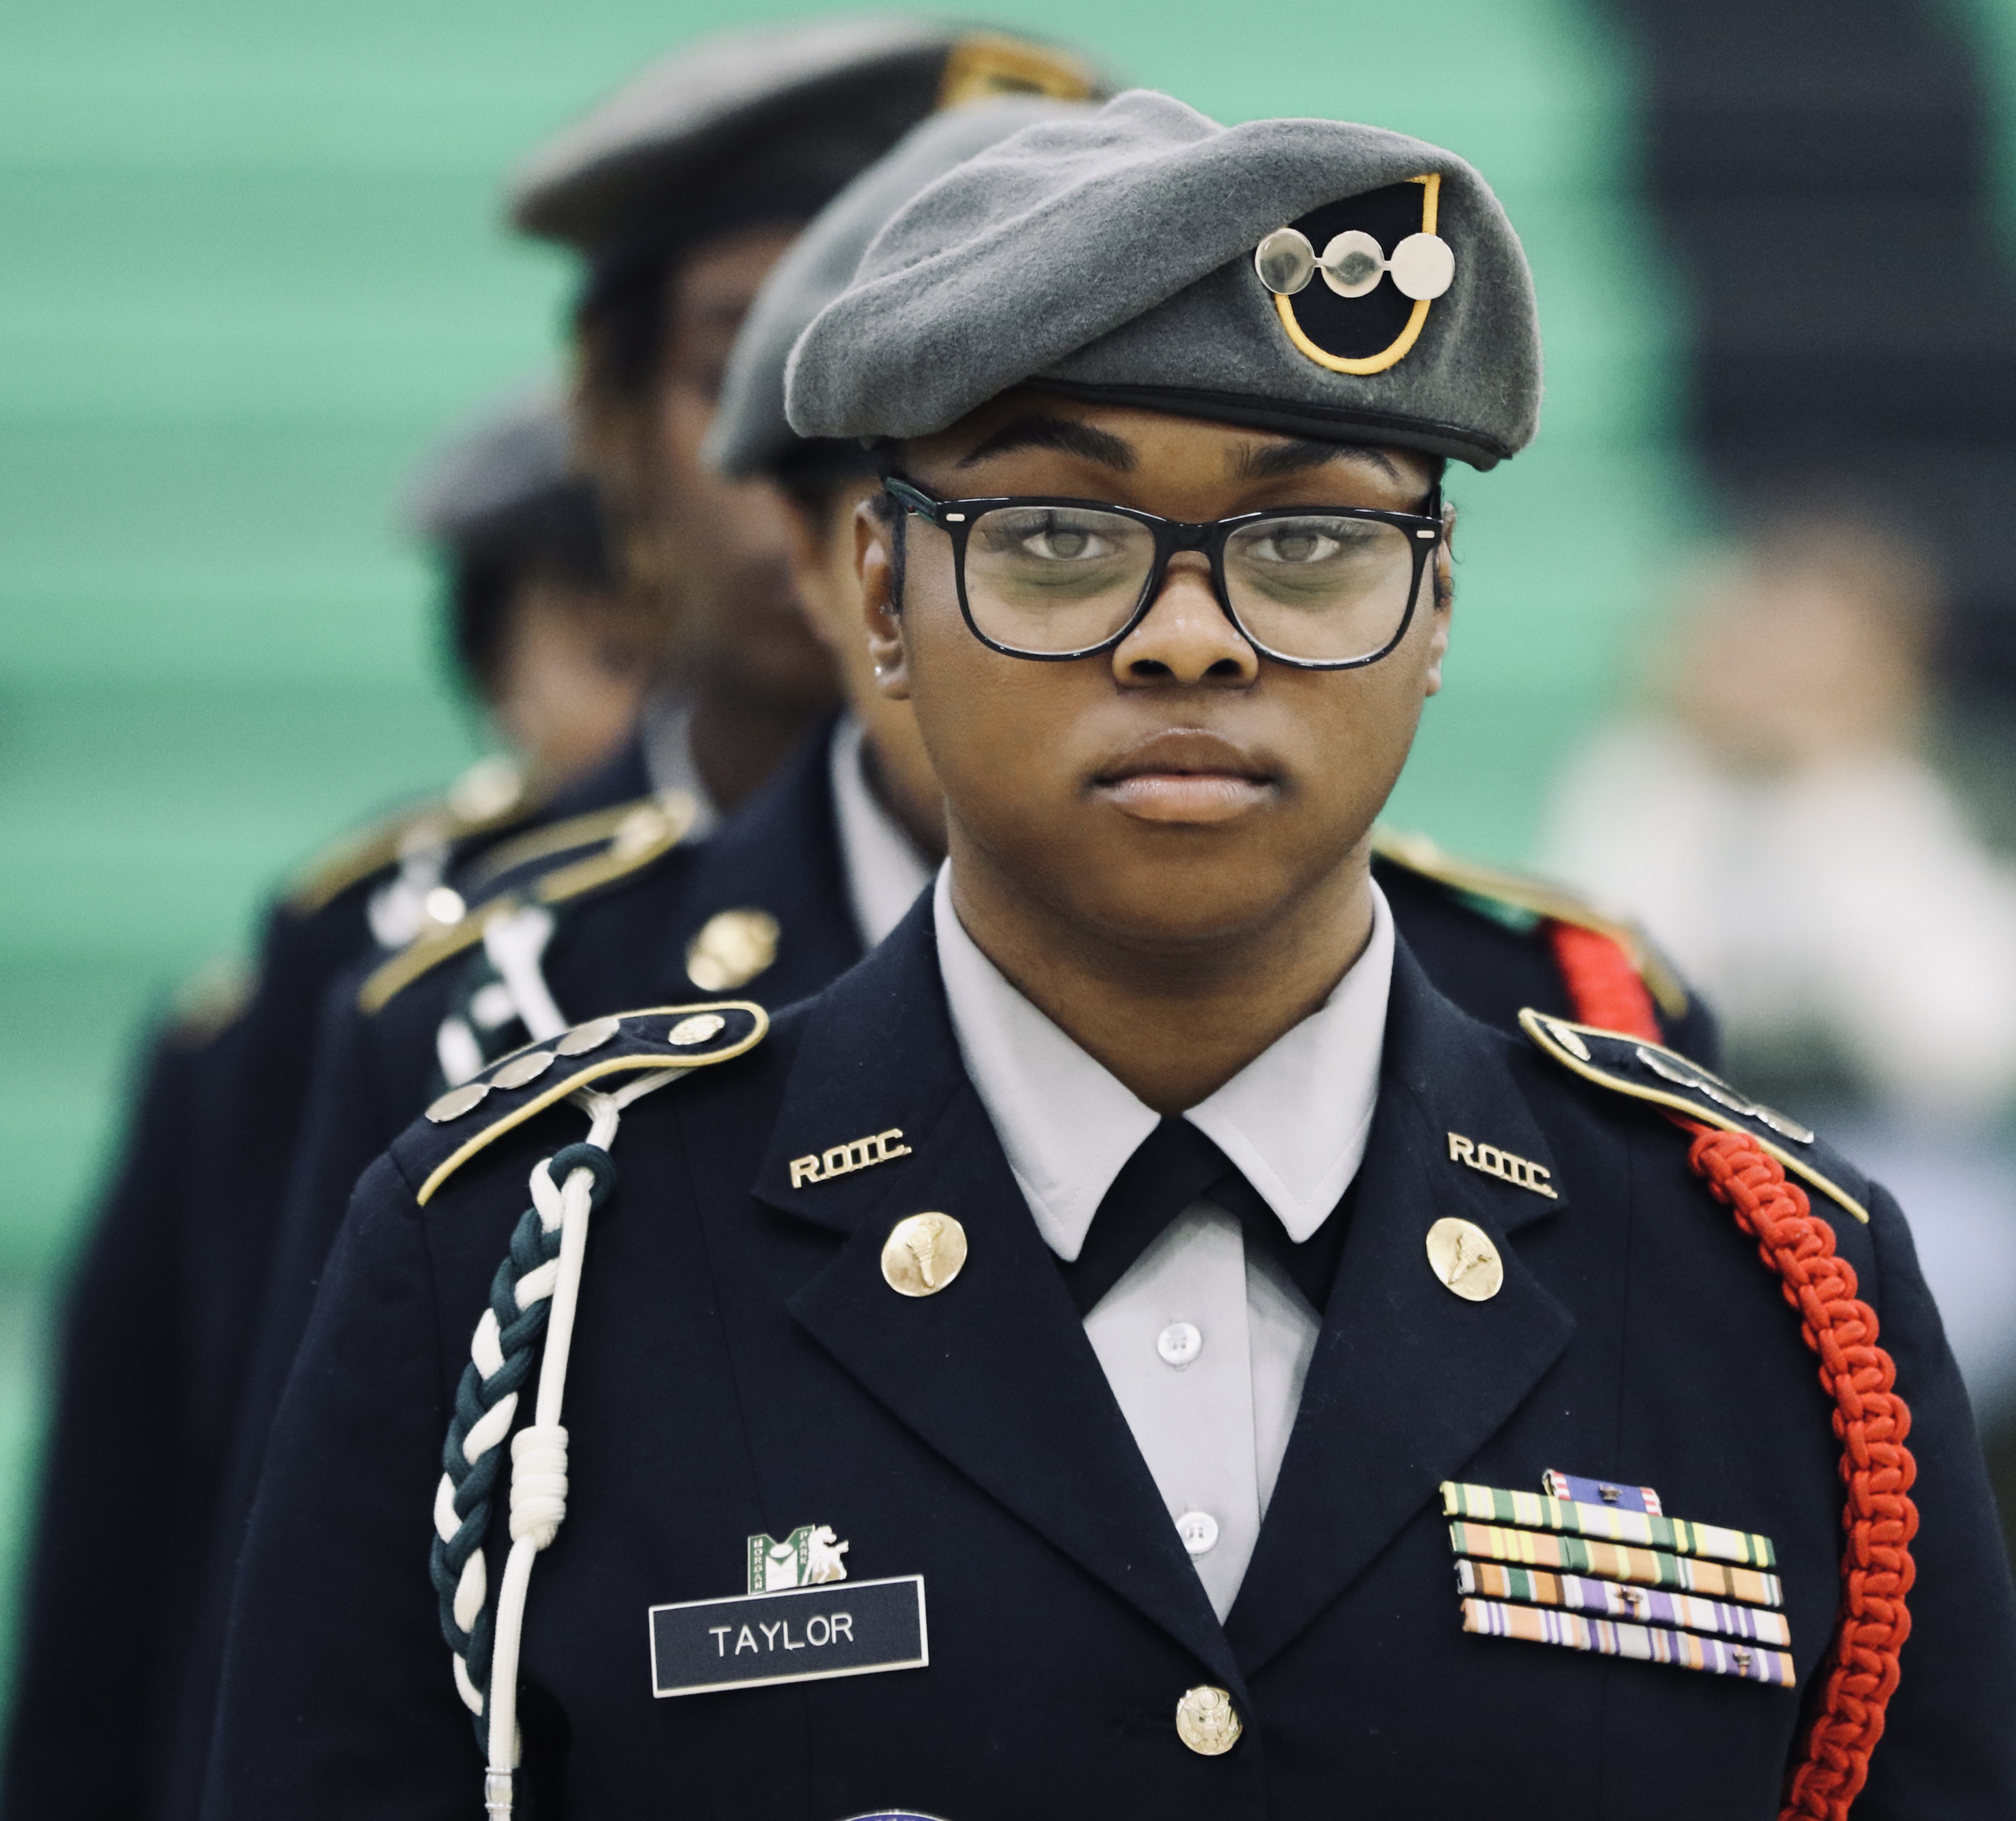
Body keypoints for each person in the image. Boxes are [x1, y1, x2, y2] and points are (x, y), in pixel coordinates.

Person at [209, 94, 2013, 1816]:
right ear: (882, 598)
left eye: (1305, 539)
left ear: (1436, 608)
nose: (1186, 636)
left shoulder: (1768, 1283)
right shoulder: (539, 1260)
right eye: (1058, 535)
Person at [0, 396, 620, 1821]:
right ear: (495, 674)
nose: (658, 714)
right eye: (611, 658)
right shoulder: (352, 979)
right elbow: (176, 1496)